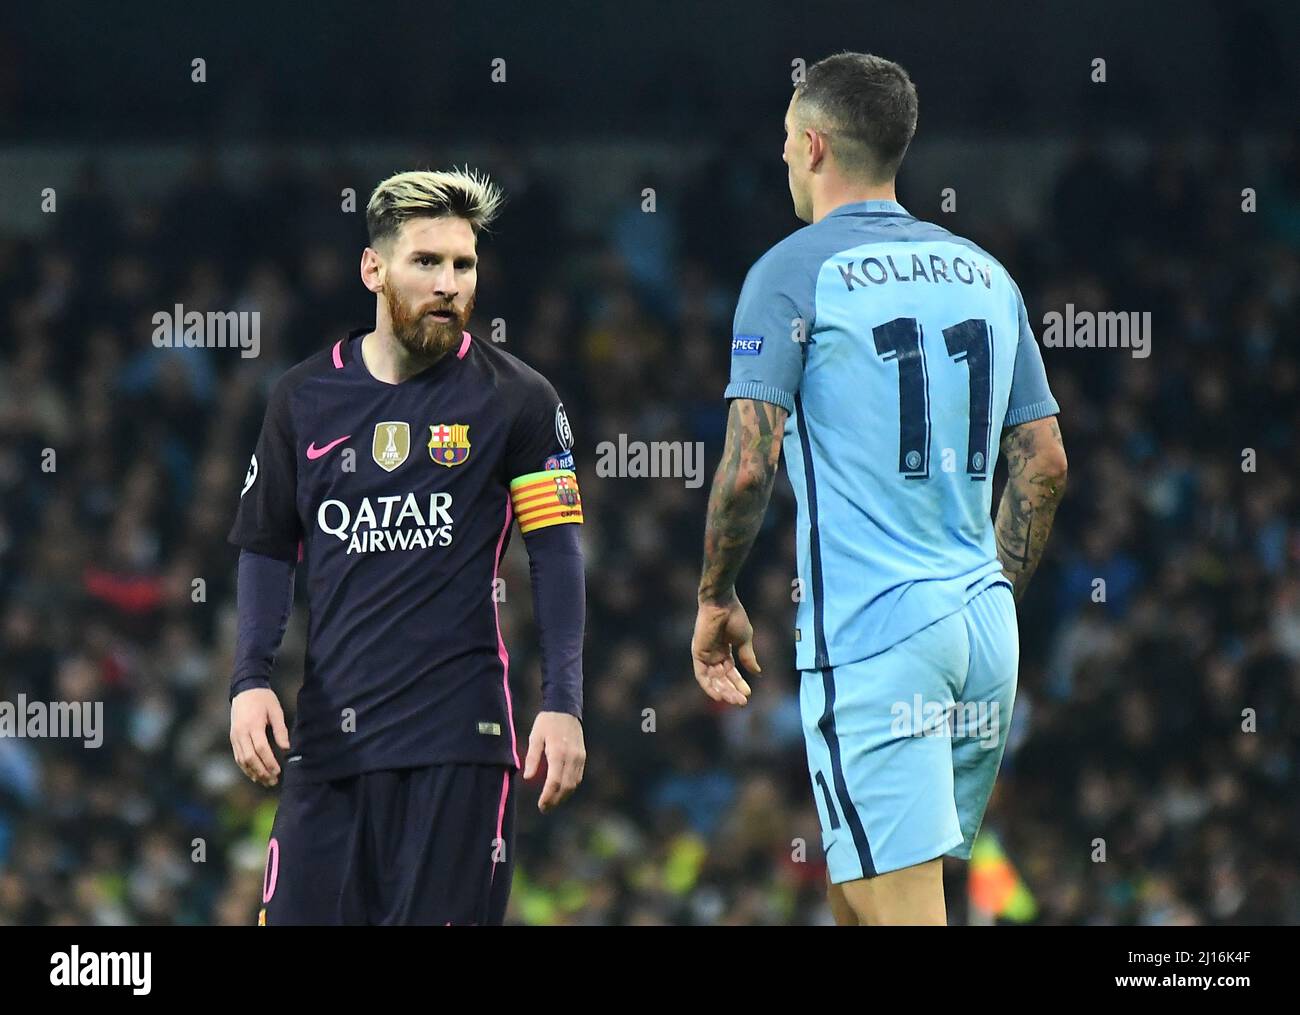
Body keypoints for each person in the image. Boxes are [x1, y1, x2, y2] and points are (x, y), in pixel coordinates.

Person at [691, 53, 1067, 925]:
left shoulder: (790, 272)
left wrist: (715, 594)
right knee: (862, 896)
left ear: (814, 144)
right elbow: (1044, 460)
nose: (783, 159)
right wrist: (985, 592)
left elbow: (749, 463)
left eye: (787, 143)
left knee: (901, 910)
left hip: (877, 635)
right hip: (982, 633)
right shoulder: (985, 272)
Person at [228, 169, 587, 925]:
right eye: (426, 261)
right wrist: (249, 678)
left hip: (461, 743)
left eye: (463, 265)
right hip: (330, 743)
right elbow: (265, 547)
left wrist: (563, 701)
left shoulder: (519, 399)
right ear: (373, 268)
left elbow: (555, 554)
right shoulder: (303, 398)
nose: (449, 283)